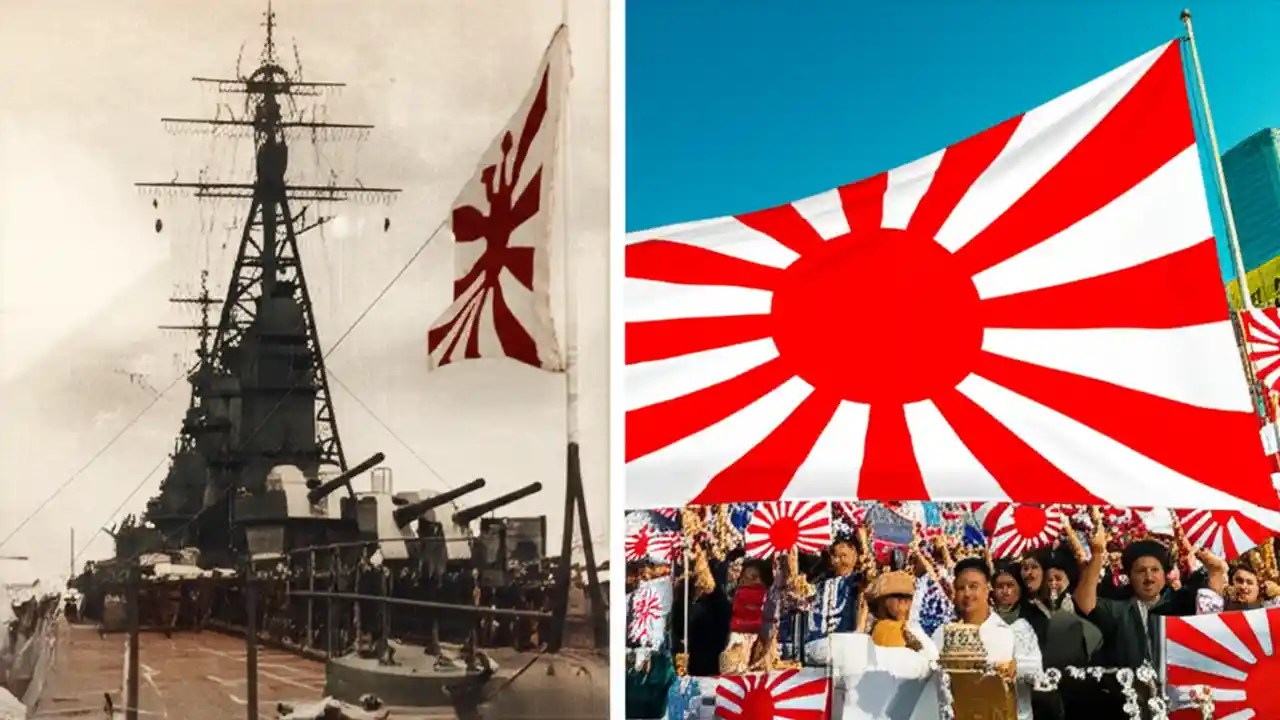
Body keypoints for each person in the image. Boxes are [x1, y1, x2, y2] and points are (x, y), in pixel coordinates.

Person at [1073, 523, 1225, 671]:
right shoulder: (1118, 609)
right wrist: (1098, 553)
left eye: (1155, 570)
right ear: (1129, 576)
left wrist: (1216, 572)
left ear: (1165, 575)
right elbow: (1084, 603)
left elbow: (1210, 614)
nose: (1149, 577)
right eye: (1141, 571)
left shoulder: (1180, 603)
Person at [932, 558, 1042, 720]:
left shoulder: (1015, 630)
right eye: (961, 588)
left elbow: (1036, 673)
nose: (967, 593)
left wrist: (1013, 669)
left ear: (987, 588)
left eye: (973, 586)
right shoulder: (942, 634)